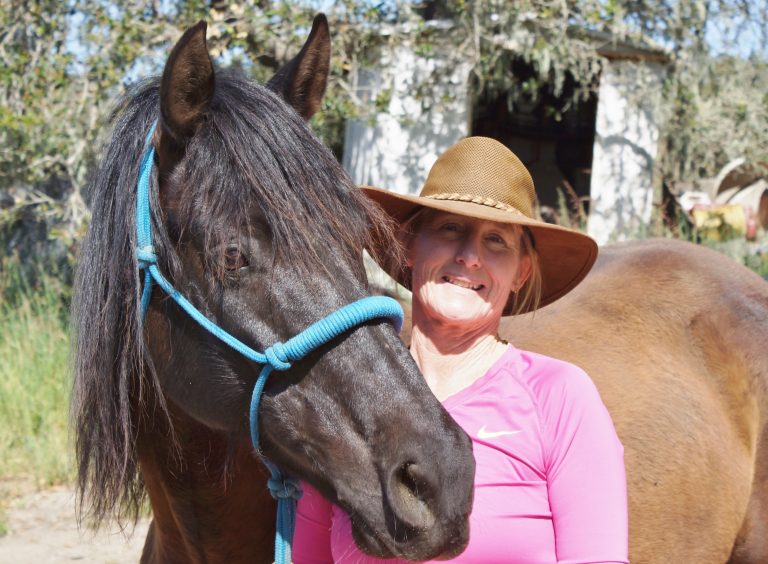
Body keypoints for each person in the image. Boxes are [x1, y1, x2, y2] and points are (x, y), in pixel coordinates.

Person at [293, 136, 628, 563]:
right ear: (410, 245)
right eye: (450, 229)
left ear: (521, 271)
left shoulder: (558, 397)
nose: (469, 256)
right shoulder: (347, 405)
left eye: (496, 241)